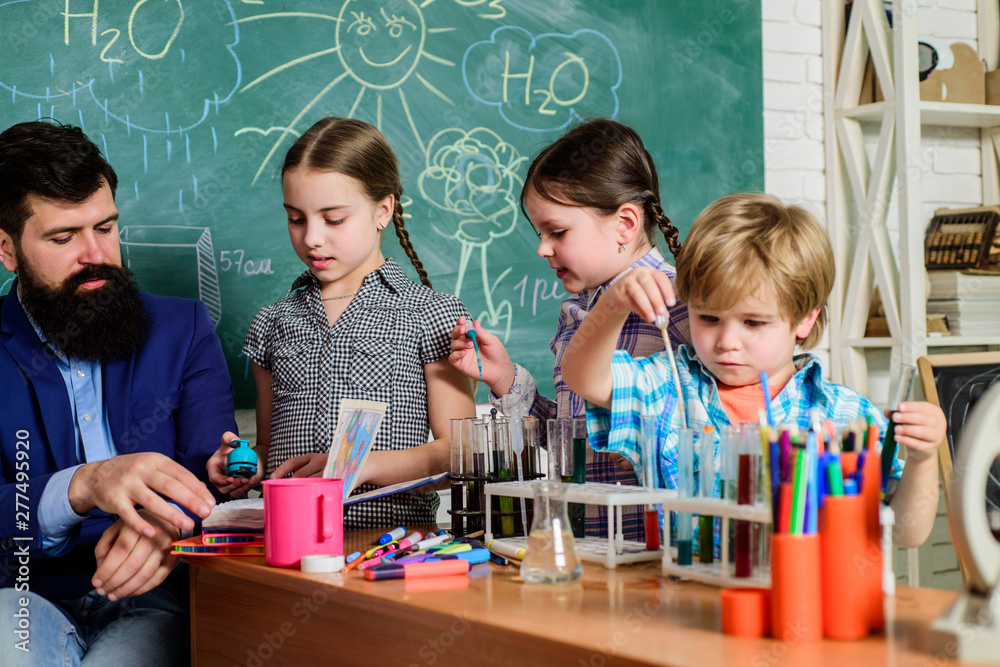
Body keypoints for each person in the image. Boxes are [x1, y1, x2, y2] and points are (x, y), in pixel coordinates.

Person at [562, 192, 945, 548]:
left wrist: (923, 460)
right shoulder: (668, 389)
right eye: (709, 317)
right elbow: (583, 377)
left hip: (804, 608)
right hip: (685, 607)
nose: (727, 341)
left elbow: (907, 533)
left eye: (754, 323)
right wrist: (612, 304)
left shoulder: (845, 415)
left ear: (803, 321)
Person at [0, 121, 238, 665]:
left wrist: (168, 525)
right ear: (7, 249)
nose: (96, 254)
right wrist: (82, 486)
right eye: (63, 238)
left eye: (106, 227)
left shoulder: (184, 328)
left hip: (154, 595)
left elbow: (215, 477)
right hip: (22, 594)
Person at [208, 117, 475, 529]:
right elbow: (267, 446)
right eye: (296, 218)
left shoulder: (430, 314)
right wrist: (245, 464)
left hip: (387, 545)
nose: (312, 237)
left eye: (333, 220)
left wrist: (361, 465)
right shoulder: (272, 323)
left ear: (383, 210)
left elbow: (459, 452)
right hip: (285, 542)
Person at [448, 119, 690, 539]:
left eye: (557, 231)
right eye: (540, 233)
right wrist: (506, 379)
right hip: (585, 549)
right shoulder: (577, 313)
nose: (542, 248)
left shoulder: (683, 308)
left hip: (652, 554)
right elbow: (571, 444)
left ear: (625, 224)